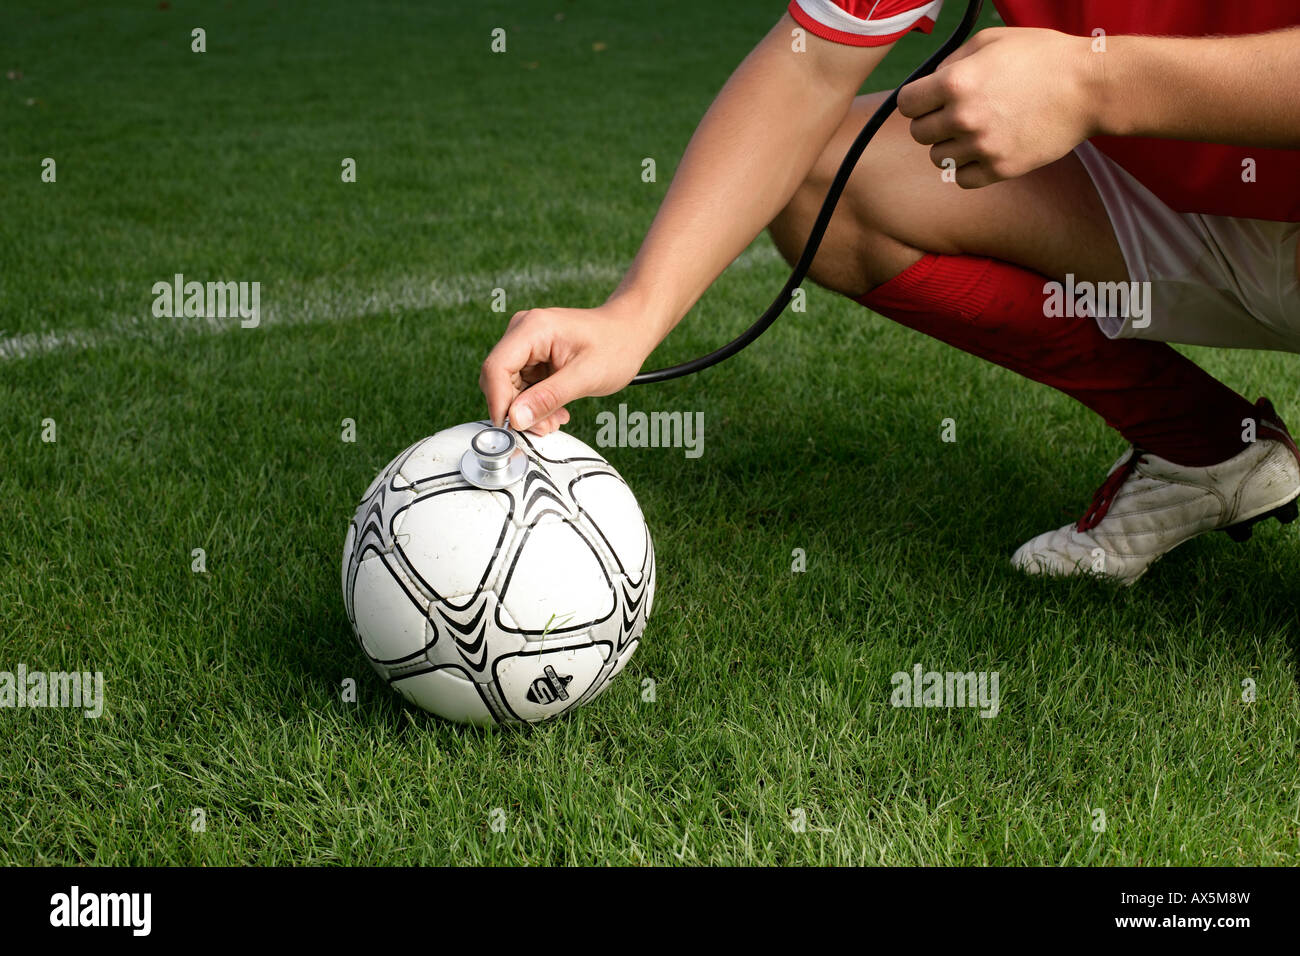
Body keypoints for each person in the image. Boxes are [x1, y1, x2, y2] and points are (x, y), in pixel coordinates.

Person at [479, 0, 1300, 585]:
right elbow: (808, 72)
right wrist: (637, 311)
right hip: (1178, 200)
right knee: (830, 183)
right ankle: (1208, 447)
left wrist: (1098, 82)